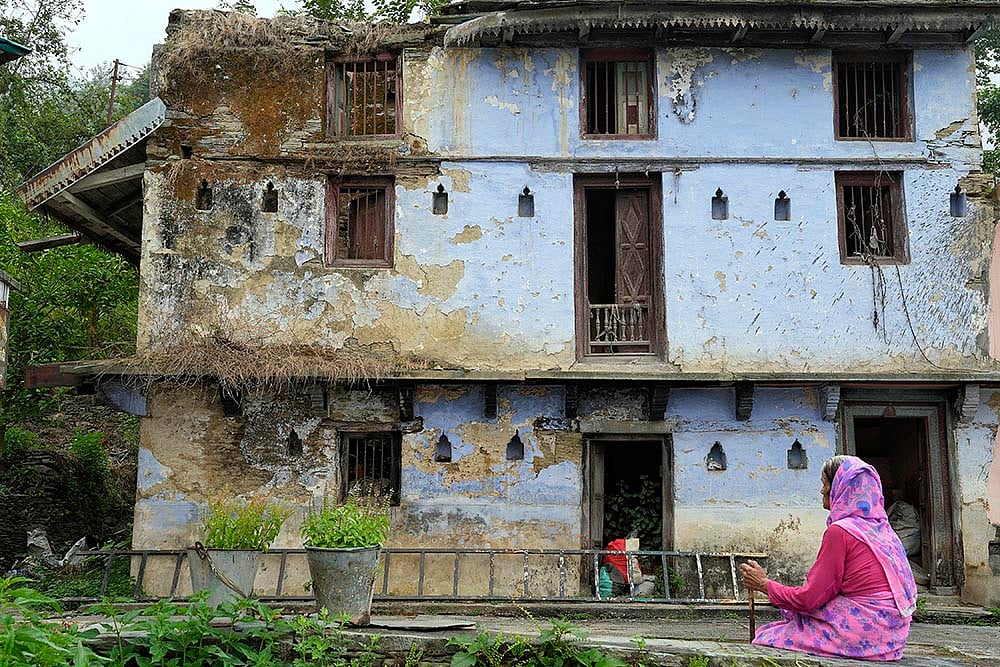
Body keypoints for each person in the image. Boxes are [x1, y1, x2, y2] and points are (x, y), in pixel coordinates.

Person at [740, 455, 917, 661]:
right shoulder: (883, 532)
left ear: (840, 488)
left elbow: (810, 599)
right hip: (892, 638)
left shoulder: (840, 532)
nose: (822, 490)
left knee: (767, 636)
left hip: (864, 634)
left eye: (825, 484)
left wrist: (764, 585)